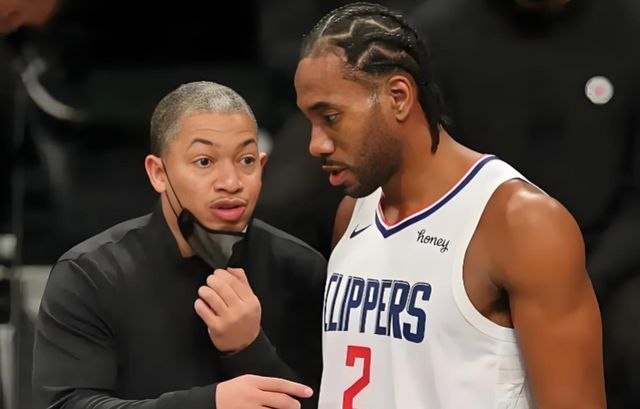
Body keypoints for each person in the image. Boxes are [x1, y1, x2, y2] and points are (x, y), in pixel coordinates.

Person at [294, 3, 605, 408]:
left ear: (398, 96)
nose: (315, 144)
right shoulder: (352, 215)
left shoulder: (521, 222)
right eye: (311, 121)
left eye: (331, 117)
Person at [32, 81, 325, 409]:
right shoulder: (91, 275)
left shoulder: (301, 270)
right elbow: (66, 404)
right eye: (204, 162)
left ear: (262, 166)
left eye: (246, 161)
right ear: (158, 173)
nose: (231, 182)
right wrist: (210, 404)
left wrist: (249, 349)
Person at [411, 1, 640, 406]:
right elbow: (426, 177)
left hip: (610, 268)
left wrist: (586, 281)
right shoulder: (435, 34)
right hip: (471, 260)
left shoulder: (631, 27)